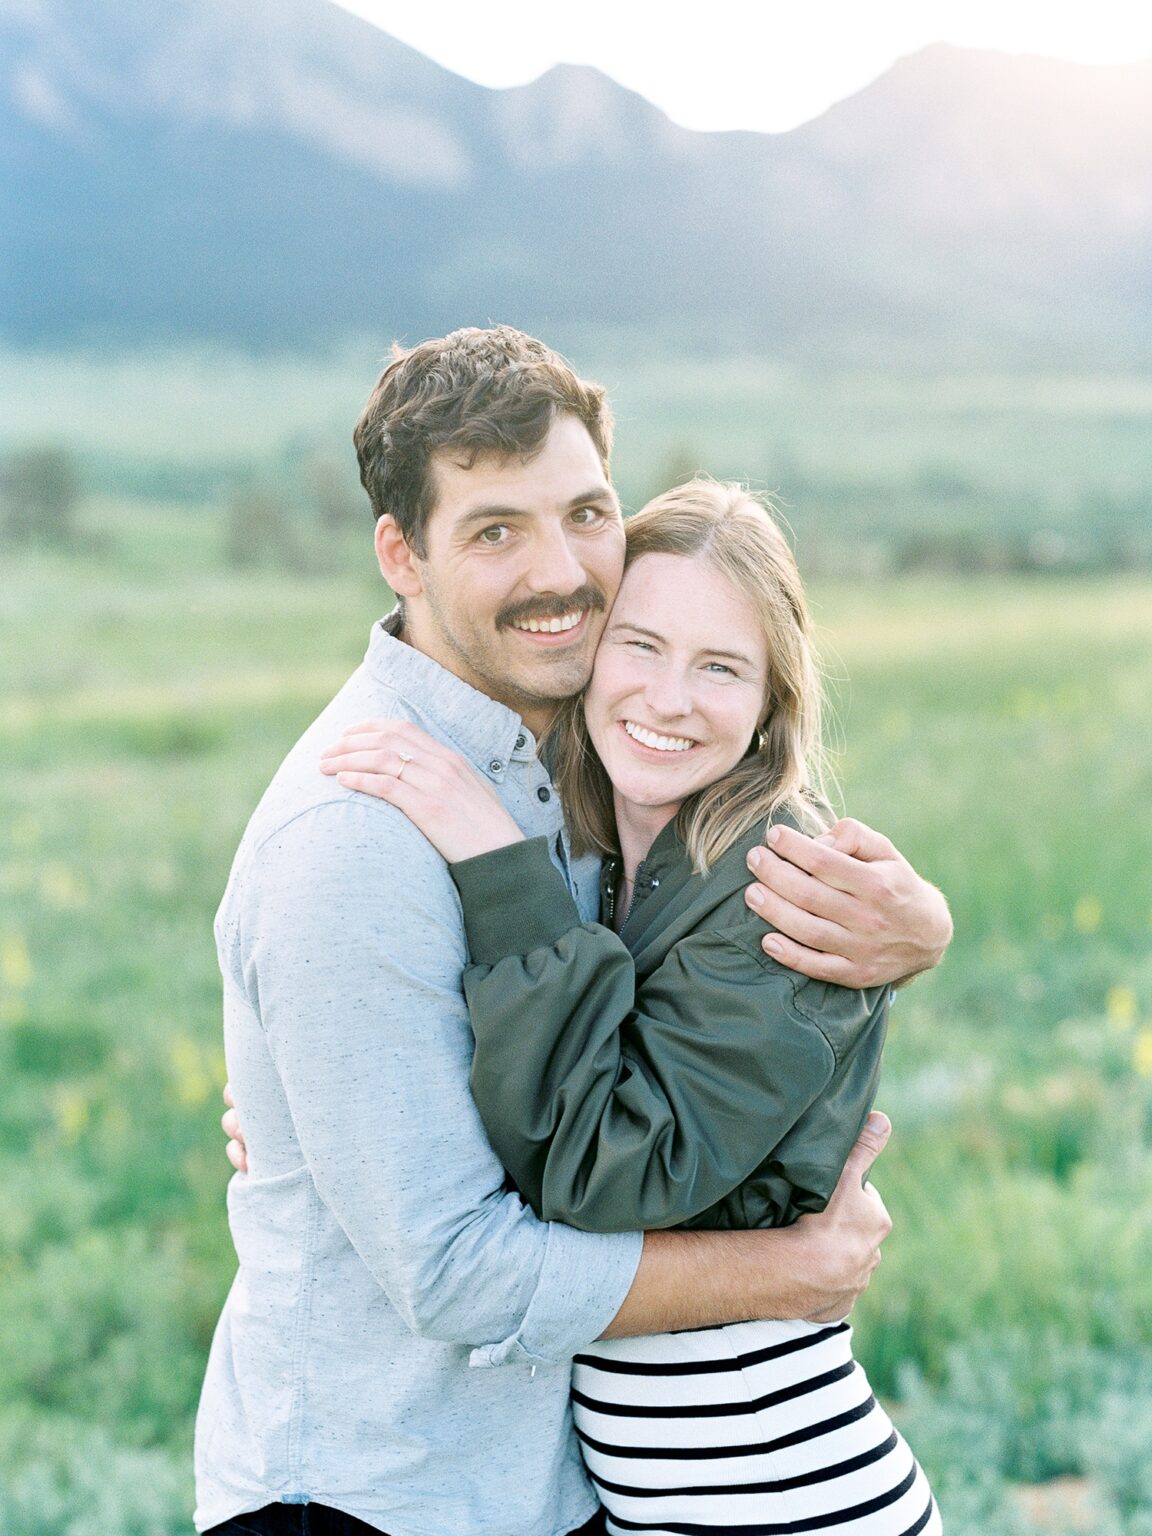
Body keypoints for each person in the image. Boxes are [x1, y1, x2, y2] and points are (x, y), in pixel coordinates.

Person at [199, 326, 951, 1536]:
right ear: (401, 554)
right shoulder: (357, 834)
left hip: (584, 1493)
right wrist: (785, 1269)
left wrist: (921, 935)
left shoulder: (586, 778)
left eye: (586, 514)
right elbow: (454, 1264)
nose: (561, 573)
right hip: (375, 1499)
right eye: (495, 531)